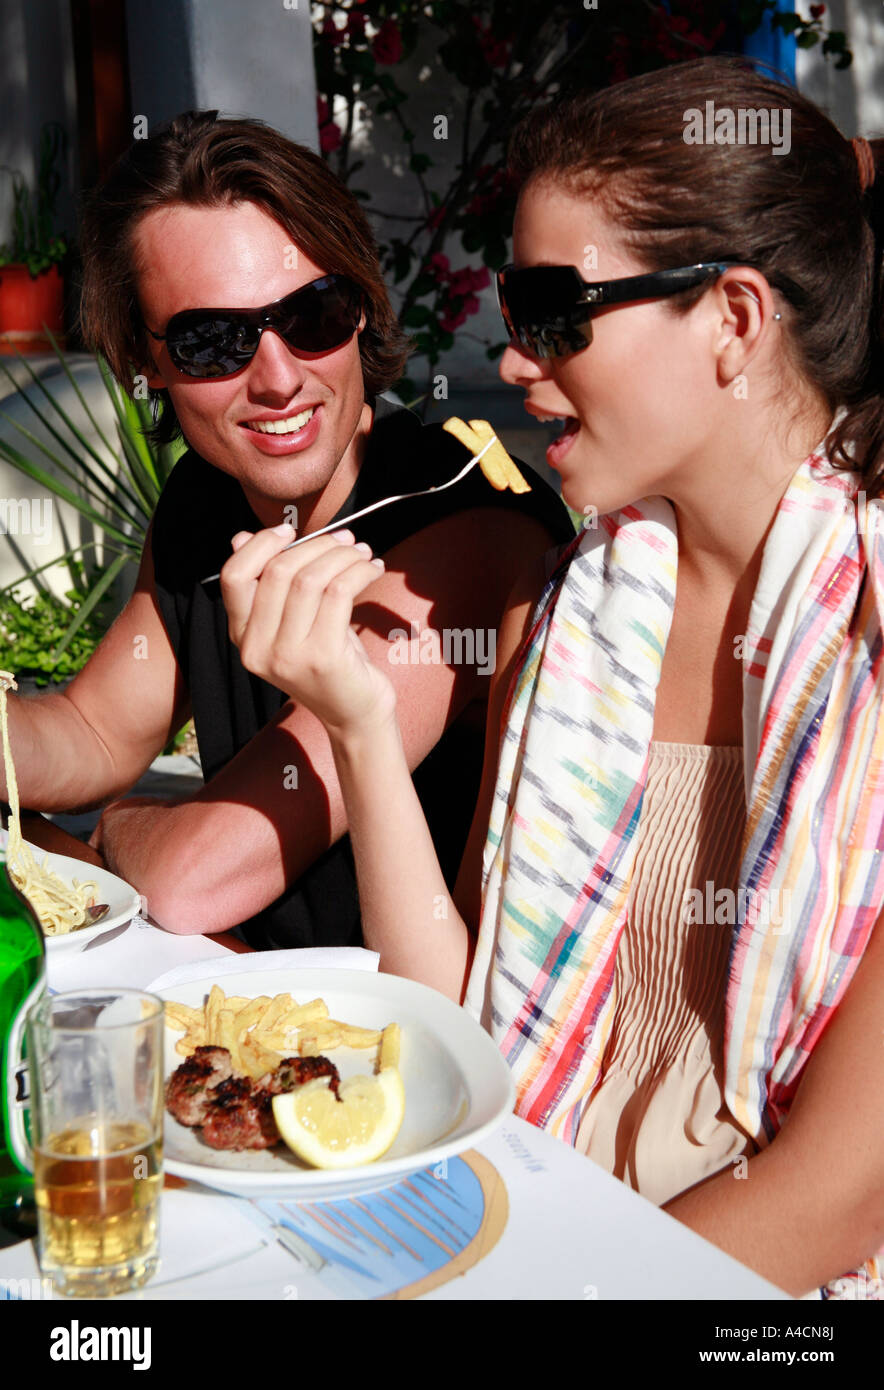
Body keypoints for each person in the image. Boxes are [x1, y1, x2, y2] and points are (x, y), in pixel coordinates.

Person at [220, 59, 884, 1299]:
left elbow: (841, 1191)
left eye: (551, 311)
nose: (515, 361)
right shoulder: (565, 606)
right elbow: (462, 1032)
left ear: (734, 318)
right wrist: (362, 730)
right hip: (524, 1229)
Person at [0, 111, 574, 947]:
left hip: (405, 1046)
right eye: (212, 342)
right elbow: (95, 731)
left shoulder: (465, 530)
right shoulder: (208, 495)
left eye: (312, 314)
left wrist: (120, 826)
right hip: (254, 1008)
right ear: (146, 364)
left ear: (361, 310)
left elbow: (194, 879)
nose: (277, 378)